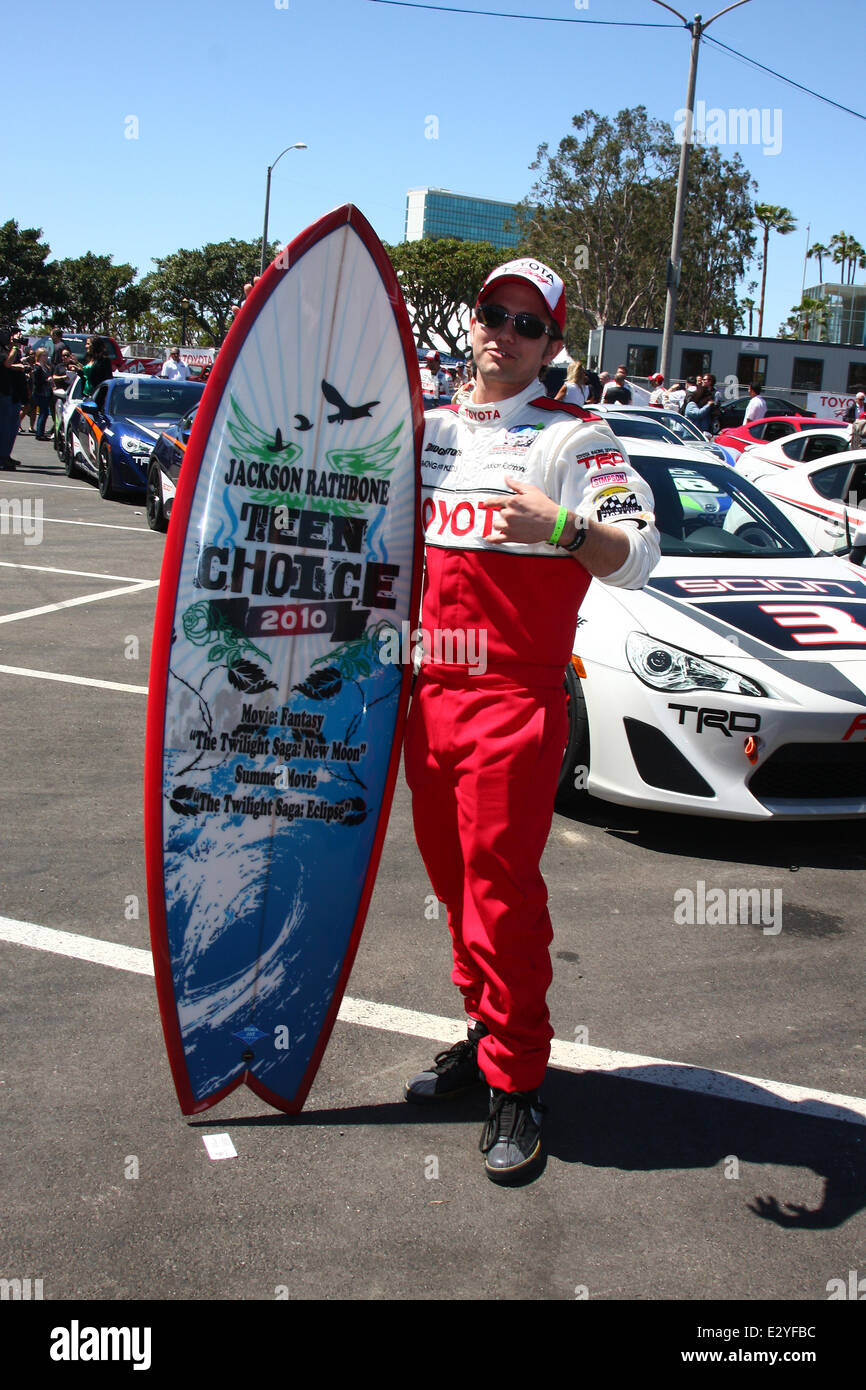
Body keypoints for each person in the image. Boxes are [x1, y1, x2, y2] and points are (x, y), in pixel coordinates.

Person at [402, 257, 659, 1183]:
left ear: (552, 344)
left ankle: (519, 1080)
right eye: (491, 314)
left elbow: (640, 559)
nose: (502, 332)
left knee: (504, 894)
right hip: (424, 696)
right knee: (456, 887)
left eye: (525, 322)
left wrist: (562, 530)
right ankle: (483, 1035)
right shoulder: (424, 429)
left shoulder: (578, 443)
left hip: (515, 699)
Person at [0, 337, 29, 469]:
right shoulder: (4, 350)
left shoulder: (8, 349)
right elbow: (7, 363)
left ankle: (6, 455)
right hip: (3, 392)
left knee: (12, 426)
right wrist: (16, 347)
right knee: (4, 428)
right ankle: (2, 458)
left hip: (13, 392)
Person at [32, 349, 54, 440]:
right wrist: (46, 380)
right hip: (41, 393)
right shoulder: (37, 367)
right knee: (43, 413)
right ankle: (39, 433)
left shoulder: (46, 366)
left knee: (44, 413)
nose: (46, 357)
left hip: (47, 392)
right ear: (39, 356)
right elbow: (36, 381)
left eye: (46, 355)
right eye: (44, 355)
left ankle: (41, 432)